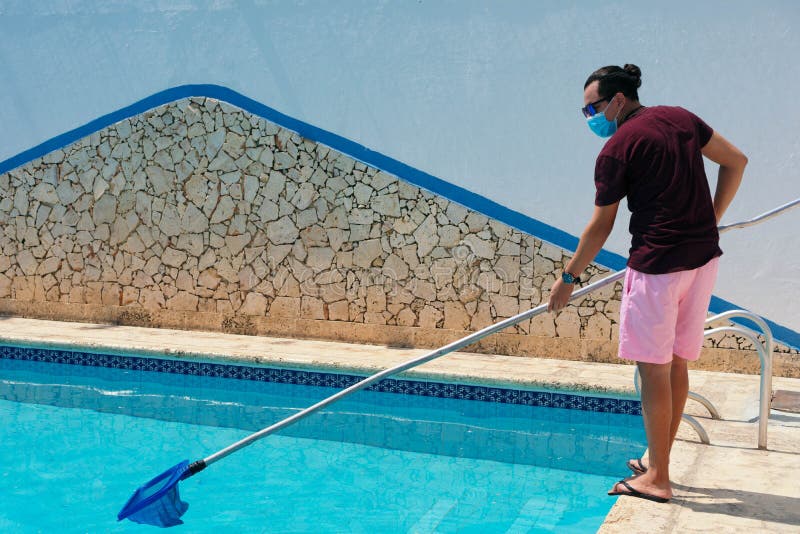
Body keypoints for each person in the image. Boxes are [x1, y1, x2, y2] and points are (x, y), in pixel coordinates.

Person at [547, 64, 747, 503]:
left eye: (593, 109)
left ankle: (658, 479)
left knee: (653, 370)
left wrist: (568, 278)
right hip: (702, 261)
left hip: (658, 268)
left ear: (618, 100)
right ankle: (660, 460)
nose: (590, 118)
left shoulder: (617, 149)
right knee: (676, 364)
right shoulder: (681, 118)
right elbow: (736, 161)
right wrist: (710, 219)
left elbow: (600, 226)